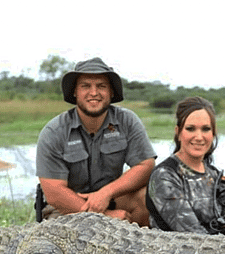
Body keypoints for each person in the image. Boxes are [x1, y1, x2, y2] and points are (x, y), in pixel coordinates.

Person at [35, 57, 156, 225]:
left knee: (146, 199)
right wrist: (104, 217)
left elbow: (146, 165)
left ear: (111, 92)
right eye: (85, 86)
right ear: (75, 92)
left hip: (113, 198)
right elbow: (54, 192)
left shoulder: (127, 120)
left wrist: (106, 193)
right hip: (68, 207)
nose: (94, 93)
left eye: (101, 86)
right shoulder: (53, 132)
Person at [146, 96, 225, 234]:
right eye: (190, 129)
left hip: (218, 249)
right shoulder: (164, 176)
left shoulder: (215, 175)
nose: (199, 137)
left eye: (206, 129)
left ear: (213, 134)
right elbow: (193, 234)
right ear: (178, 133)